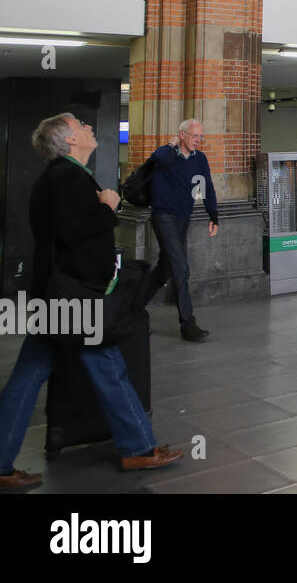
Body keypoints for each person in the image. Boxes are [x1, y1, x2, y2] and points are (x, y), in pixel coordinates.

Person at [1, 113, 183, 491]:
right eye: (81, 126)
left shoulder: (60, 177)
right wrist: (108, 206)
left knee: (36, 373)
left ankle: (137, 446)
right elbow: (73, 232)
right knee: (106, 365)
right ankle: (139, 447)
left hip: (57, 300)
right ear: (68, 140)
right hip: (72, 299)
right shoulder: (67, 178)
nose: (88, 128)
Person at [146, 118, 218, 342]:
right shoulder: (166, 155)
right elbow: (154, 160)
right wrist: (170, 146)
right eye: (195, 136)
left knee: (165, 269)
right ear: (183, 135)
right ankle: (188, 324)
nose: (199, 140)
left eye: (201, 136)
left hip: (182, 218)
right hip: (163, 216)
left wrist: (213, 215)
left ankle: (130, 306)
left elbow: (206, 187)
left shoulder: (199, 159)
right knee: (180, 267)